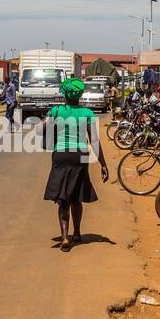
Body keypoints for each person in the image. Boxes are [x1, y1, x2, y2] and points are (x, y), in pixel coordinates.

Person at [43, 77, 108, 251]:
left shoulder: (56, 110)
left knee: (63, 199)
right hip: (80, 155)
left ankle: (65, 237)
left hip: (61, 155)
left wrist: (50, 119)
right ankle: (77, 232)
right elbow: (94, 140)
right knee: (77, 196)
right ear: (80, 95)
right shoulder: (87, 113)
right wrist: (103, 164)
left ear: (64, 94)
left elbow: (41, 128)